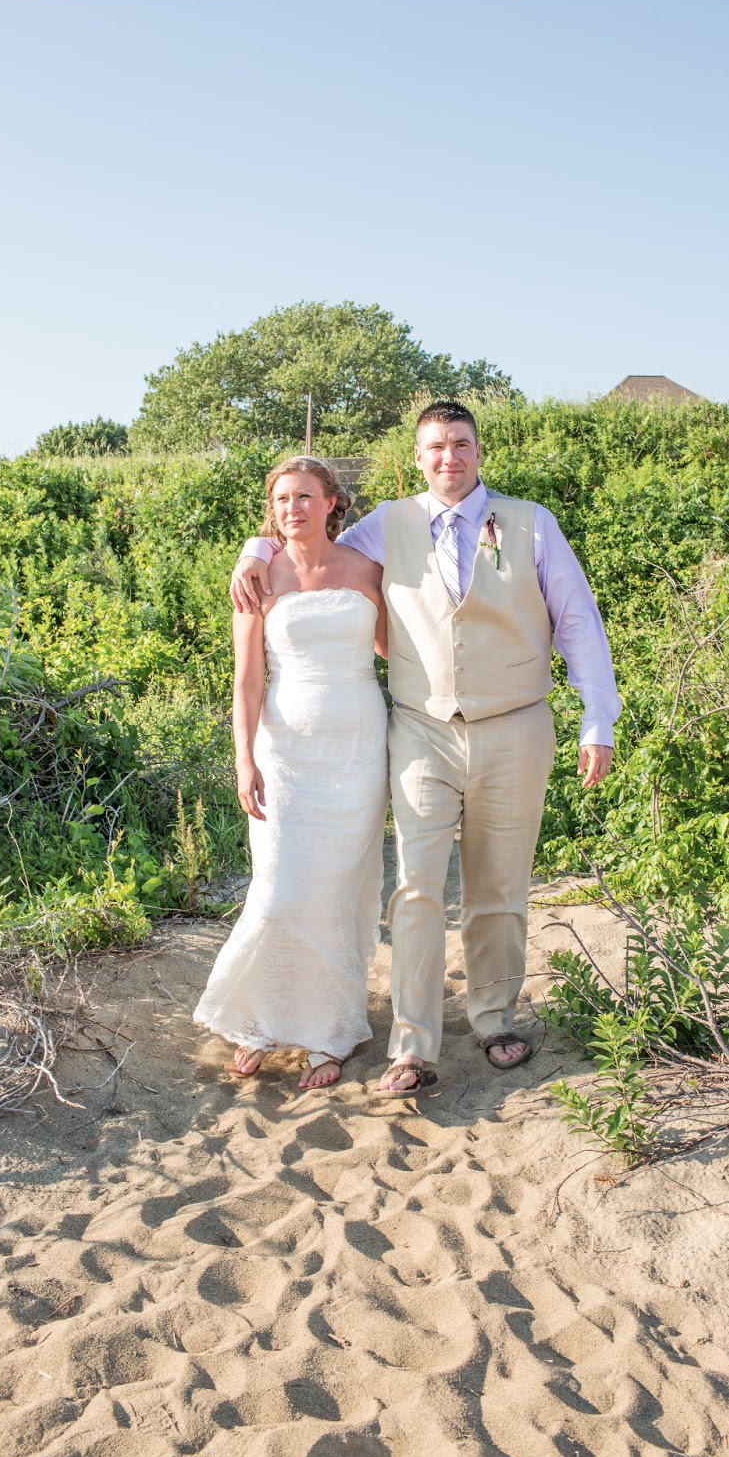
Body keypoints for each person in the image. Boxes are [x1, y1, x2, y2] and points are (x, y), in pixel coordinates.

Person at [230, 401, 621, 1094]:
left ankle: (495, 1017)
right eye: (436, 447)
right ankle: (412, 1045)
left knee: (499, 885)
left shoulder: (530, 523)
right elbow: (305, 539)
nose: (450, 458)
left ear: (479, 451)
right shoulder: (389, 523)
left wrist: (599, 717)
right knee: (414, 886)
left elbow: (577, 618)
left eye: (461, 445)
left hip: (516, 723)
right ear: (418, 456)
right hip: (420, 729)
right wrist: (254, 547)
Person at [195, 456, 388, 1089]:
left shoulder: (366, 570)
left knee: (334, 894)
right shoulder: (258, 577)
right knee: (276, 895)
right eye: (281, 500)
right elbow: (247, 680)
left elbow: (398, 651)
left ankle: (328, 1034)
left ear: (333, 502)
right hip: (286, 756)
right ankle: (255, 1020)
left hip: (358, 752)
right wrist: (243, 758)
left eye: (305, 496)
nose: (292, 509)